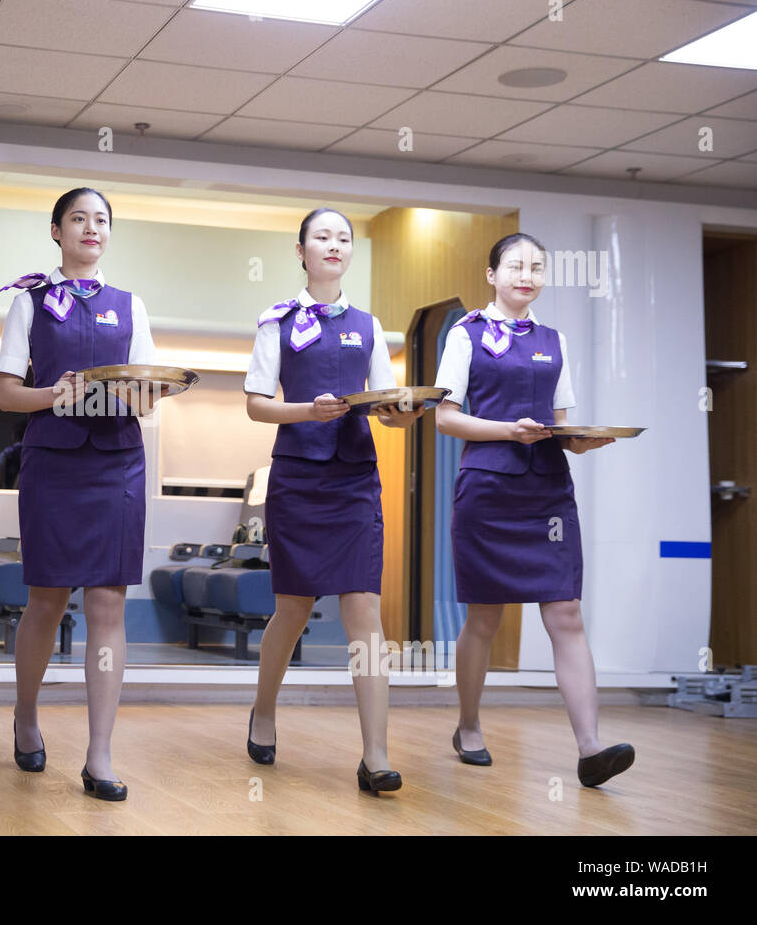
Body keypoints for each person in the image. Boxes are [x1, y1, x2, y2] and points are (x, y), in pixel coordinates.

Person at [434, 232, 633, 788]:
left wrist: (580, 440)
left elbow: (560, 421)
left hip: (546, 488)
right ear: (491, 275)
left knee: (565, 612)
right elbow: (446, 418)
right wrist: (508, 432)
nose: (527, 275)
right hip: (488, 489)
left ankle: (590, 747)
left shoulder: (554, 339)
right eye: (515, 266)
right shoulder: (465, 334)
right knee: (485, 616)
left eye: (537, 267)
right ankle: (469, 726)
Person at [244, 207, 423, 795]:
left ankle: (375, 754)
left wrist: (401, 414)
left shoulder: (369, 326)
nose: (334, 245)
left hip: (353, 480)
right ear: (301, 249)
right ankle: (264, 710)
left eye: (344, 238)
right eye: (322, 236)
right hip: (297, 476)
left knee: (364, 608)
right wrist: (308, 411)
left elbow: (380, 406)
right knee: (293, 608)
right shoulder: (278, 321)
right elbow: (257, 405)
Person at [0, 187, 156, 801]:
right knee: (46, 600)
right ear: (56, 231)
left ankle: (100, 753)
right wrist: (52, 395)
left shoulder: (130, 305)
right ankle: (27, 714)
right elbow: (9, 393)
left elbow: (146, 388)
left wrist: (146, 396)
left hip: (117, 463)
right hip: (53, 462)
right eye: (79, 219)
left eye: (102, 220)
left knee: (109, 605)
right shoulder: (28, 302)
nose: (92, 228)